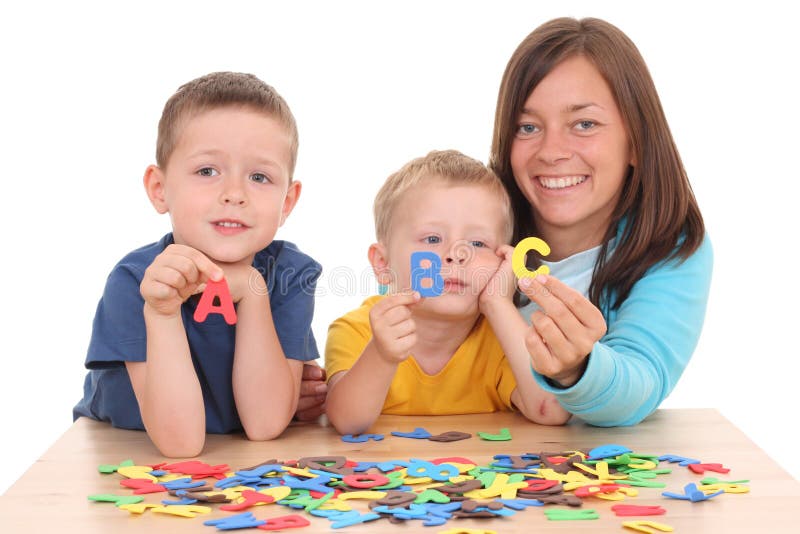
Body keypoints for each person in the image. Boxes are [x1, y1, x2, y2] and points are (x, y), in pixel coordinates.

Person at [73, 72, 322, 456]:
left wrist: (252, 291)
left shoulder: (292, 274)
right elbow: (181, 444)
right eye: (207, 171)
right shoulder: (135, 281)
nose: (234, 194)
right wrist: (161, 313)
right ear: (160, 190)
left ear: (286, 203)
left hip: (237, 456)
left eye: (259, 176)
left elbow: (265, 424)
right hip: (124, 451)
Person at [488, 17, 713, 426]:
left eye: (584, 124)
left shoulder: (671, 250)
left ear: (637, 143)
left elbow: (640, 386)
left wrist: (576, 368)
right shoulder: (472, 225)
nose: (552, 151)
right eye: (527, 127)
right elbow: (402, 306)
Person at [324, 150, 570, 435]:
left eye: (478, 243)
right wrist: (382, 354)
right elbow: (347, 421)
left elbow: (550, 410)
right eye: (432, 239)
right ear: (383, 263)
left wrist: (498, 302)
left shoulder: (502, 338)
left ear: (504, 260)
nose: (457, 254)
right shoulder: (356, 331)